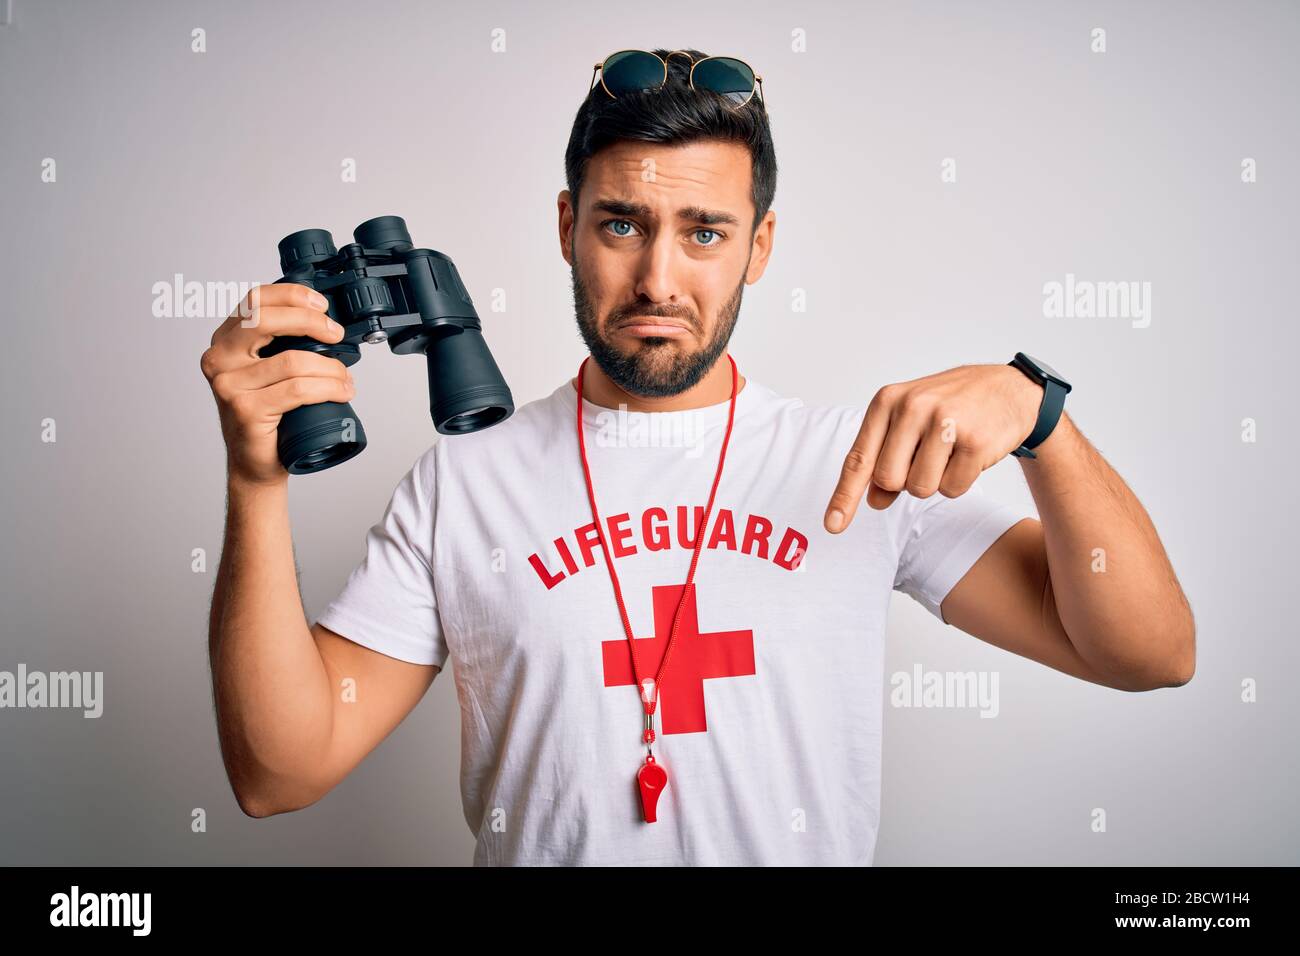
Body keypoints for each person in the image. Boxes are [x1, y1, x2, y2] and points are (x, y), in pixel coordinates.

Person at [200, 48, 1195, 866]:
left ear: (758, 247)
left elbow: (1150, 653)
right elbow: (280, 771)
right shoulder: (464, 481)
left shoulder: (861, 463)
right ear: (566, 227)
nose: (656, 278)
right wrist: (255, 475)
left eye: (704, 231)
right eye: (621, 223)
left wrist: (1042, 418)